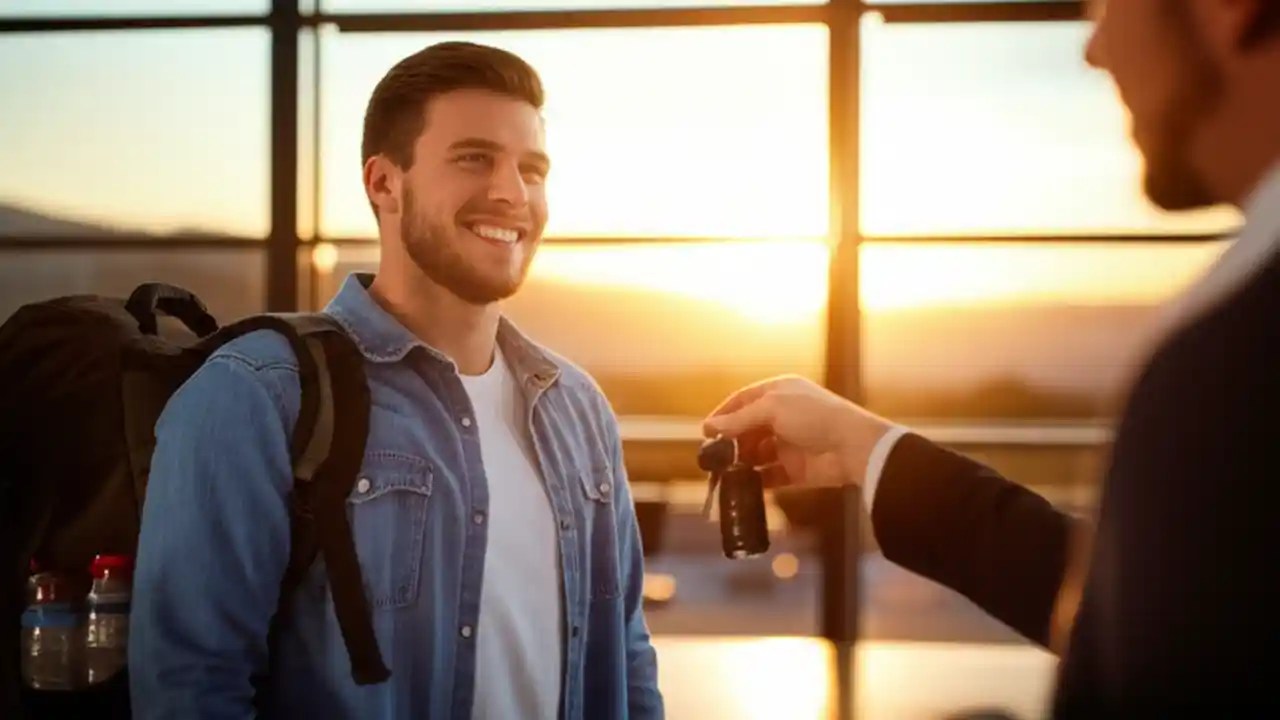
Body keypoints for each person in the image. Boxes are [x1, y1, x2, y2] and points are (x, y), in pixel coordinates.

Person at [704, 1, 1280, 716]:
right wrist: (867, 450)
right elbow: (1153, 610)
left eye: (1107, 4)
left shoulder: (1229, 360)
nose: (1094, 49)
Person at [129, 41, 663, 719]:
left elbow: (626, 655)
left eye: (532, 168)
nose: (511, 191)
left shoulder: (577, 408)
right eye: (474, 158)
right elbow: (190, 688)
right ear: (384, 183)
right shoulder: (259, 395)